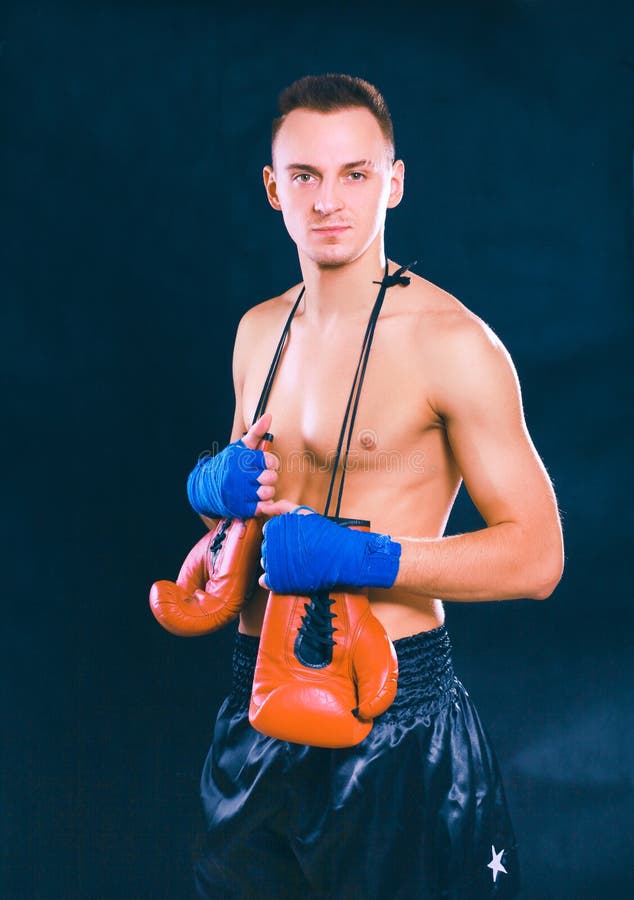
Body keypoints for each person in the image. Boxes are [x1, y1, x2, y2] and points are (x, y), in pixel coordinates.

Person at [190, 74, 563, 899]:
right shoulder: (258, 332)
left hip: (393, 726)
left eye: (356, 174)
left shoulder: (451, 342)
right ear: (272, 188)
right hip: (255, 709)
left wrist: (362, 555)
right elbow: (260, 528)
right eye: (306, 177)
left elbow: (538, 557)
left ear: (393, 181)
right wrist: (220, 512)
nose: (330, 201)